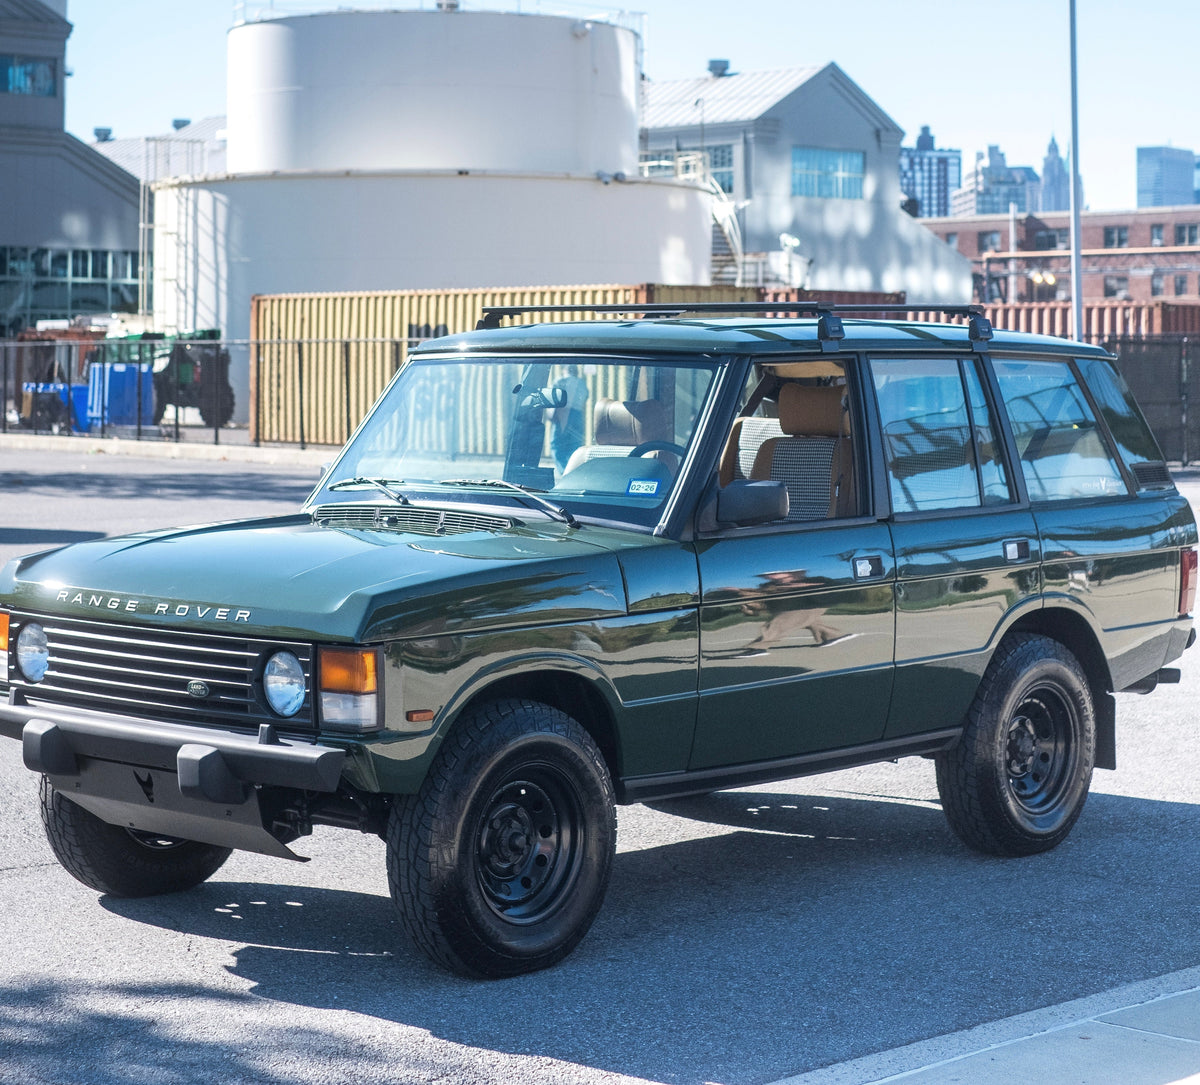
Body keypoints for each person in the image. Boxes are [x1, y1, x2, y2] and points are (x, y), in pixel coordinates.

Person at [550, 364, 589, 472]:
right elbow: (585, 397)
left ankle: (564, 471)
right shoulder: (582, 383)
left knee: (557, 444)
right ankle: (574, 470)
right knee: (575, 444)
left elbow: (553, 399)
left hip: (562, 412)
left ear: (564, 369)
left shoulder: (559, 381)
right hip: (577, 414)